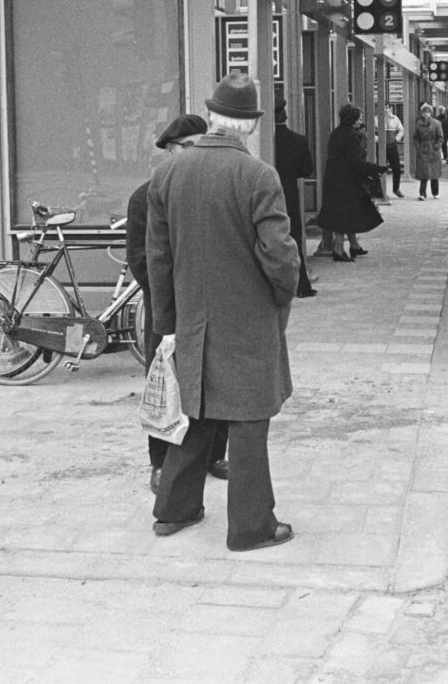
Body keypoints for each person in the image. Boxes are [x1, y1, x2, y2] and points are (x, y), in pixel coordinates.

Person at [146, 73, 300, 551]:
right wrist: (281, 298)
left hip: (193, 318)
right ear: (250, 125)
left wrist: (167, 324)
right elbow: (280, 256)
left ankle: (174, 510)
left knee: (197, 413)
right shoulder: (258, 176)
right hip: (248, 320)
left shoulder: (167, 174)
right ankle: (251, 527)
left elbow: (159, 258)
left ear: (212, 118)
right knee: (250, 420)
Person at [125, 114, 228, 493]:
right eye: (190, 146)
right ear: (171, 150)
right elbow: (140, 258)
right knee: (165, 383)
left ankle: (215, 453)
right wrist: (168, 298)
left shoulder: (211, 190)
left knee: (214, 381)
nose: (198, 153)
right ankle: (161, 462)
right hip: (167, 309)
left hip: (209, 306)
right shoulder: (146, 195)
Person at [315, 104, 387, 261]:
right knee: (344, 214)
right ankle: (338, 249)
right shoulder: (352, 137)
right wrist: (377, 169)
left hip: (334, 178)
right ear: (352, 119)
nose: (361, 121)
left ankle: (354, 246)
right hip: (347, 181)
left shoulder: (336, 133)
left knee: (346, 213)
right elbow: (355, 162)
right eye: (359, 118)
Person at [273, 100, 318, 297]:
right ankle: (301, 285)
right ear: (286, 115)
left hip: (264, 193)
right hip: (289, 193)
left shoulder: (261, 139)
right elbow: (307, 170)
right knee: (294, 237)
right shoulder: (298, 140)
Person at [412, 101, 445, 200]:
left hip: (433, 151)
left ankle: (435, 192)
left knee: (434, 173)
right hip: (422, 151)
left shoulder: (436, 123)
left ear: (431, 113)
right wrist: (418, 147)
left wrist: (436, 146)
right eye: (424, 112)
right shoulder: (419, 124)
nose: (426, 114)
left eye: (428, 112)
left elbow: (440, 137)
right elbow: (416, 137)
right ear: (422, 113)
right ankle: (422, 194)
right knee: (423, 173)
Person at [384, 107, 406, 197]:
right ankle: (381, 191)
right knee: (380, 168)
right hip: (380, 147)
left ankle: (396, 188)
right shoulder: (376, 119)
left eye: (388, 107)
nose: (386, 110)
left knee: (396, 168)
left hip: (392, 146)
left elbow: (401, 130)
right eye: (384, 107)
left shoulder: (395, 119)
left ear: (391, 108)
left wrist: (396, 139)